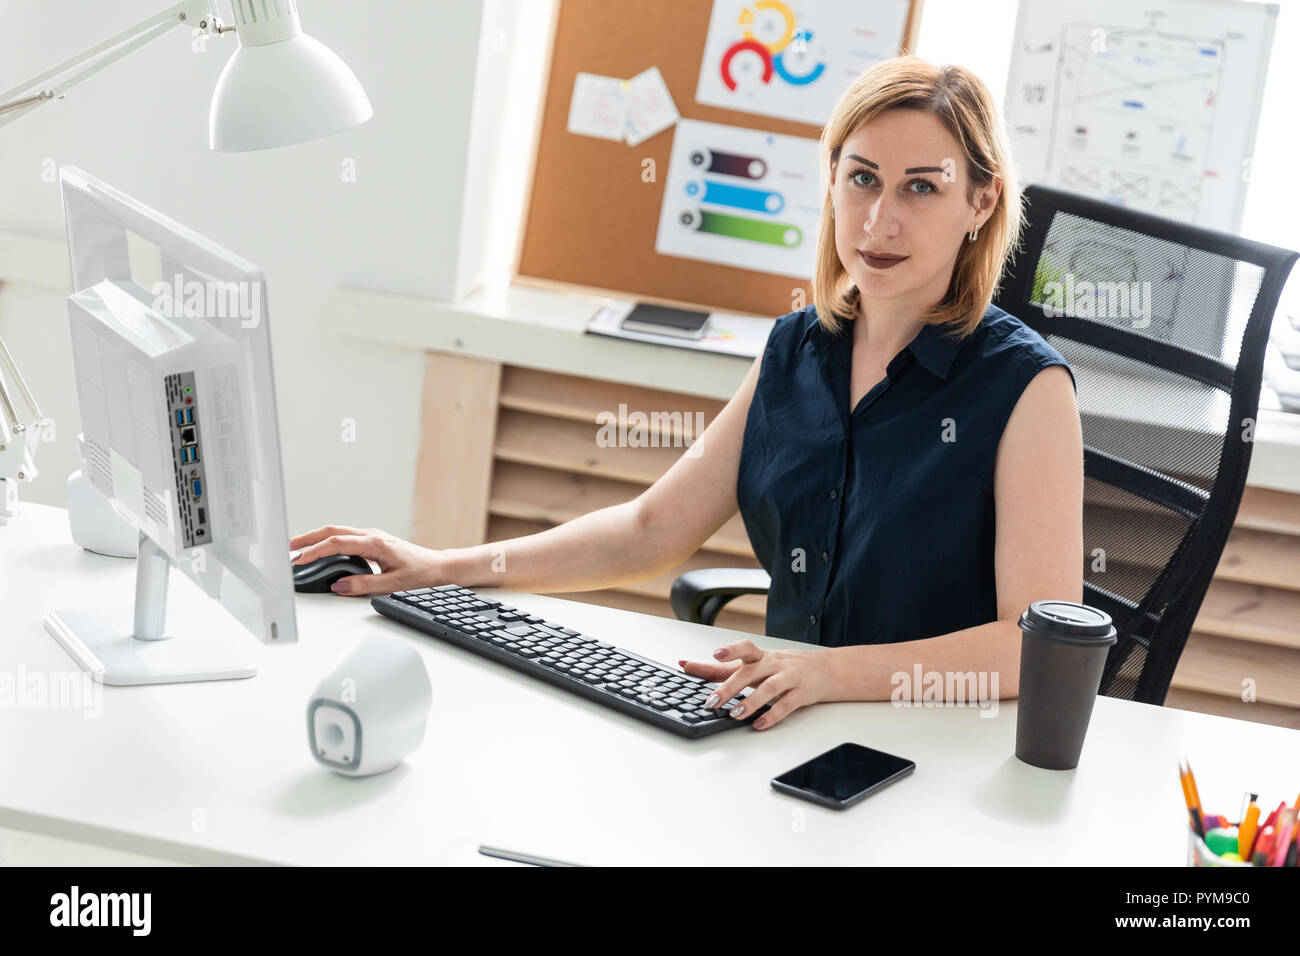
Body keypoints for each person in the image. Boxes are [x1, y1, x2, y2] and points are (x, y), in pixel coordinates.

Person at [291, 56, 1083, 731]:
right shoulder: (796, 350)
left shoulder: (1025, 388)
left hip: (937, 746)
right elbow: (650, 529)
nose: (878, 221)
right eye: (862, 178)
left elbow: (1032, 641)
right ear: (832, 178)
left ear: (981, 202)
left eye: (921, 189)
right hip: (789, 722)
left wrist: (829, 674)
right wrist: (442, 565)